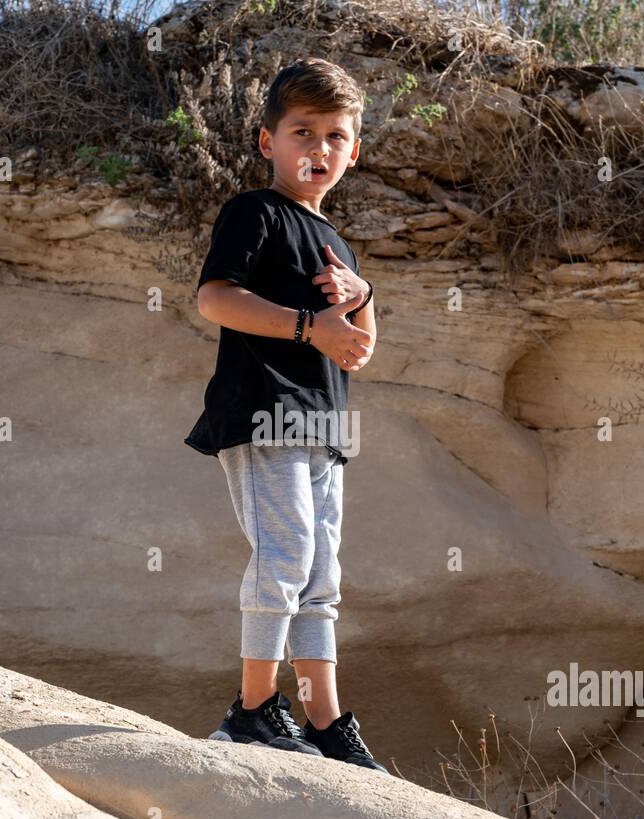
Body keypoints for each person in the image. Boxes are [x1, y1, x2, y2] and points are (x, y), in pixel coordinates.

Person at [184, 58, 387, 772]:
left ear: (353, 151)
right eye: (304, 132)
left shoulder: (341, 246)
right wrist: (309, 325)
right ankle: (250, 711)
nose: (320, 149)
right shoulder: (253, 212)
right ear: (269, 142)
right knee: (286, 557)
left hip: (325, 429)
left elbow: (360, 350)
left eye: (336, 137)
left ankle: (325, 721)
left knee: (321, 576)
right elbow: (214, 297)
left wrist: (361, 295)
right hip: (263, 412)